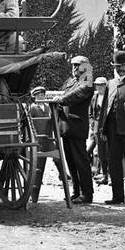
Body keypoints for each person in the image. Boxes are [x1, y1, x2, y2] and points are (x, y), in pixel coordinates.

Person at [49, 54, 95, 204]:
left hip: (77, 127)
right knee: (71, 162)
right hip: (65, 126)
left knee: (81, 162)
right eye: (74, 65)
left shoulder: (87, 82)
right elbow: (63, 93)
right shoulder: (70, 81)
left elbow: (74, 95)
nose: (75, 68)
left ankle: (87, 194)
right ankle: (76, 192)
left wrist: (61, 99)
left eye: (78, 65)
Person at [98, 51, 125, 205]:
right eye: (117, 66)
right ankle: (117, 196)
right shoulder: (110, 83)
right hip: (112, 130)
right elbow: (104, 108)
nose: (120, 69)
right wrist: (102, 130)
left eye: (122, 65)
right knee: (113, 163)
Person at [88, 76, 109, 185]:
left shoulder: (109, 96)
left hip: (107, 126)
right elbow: (91, 112)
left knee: (108, 151)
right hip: (96, 127)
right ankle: (104, 175)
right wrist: (92, 122)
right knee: (100, 152)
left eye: (101, 85)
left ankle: (109, 175)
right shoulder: (94, 97)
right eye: (97, 85)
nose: (99, 87)